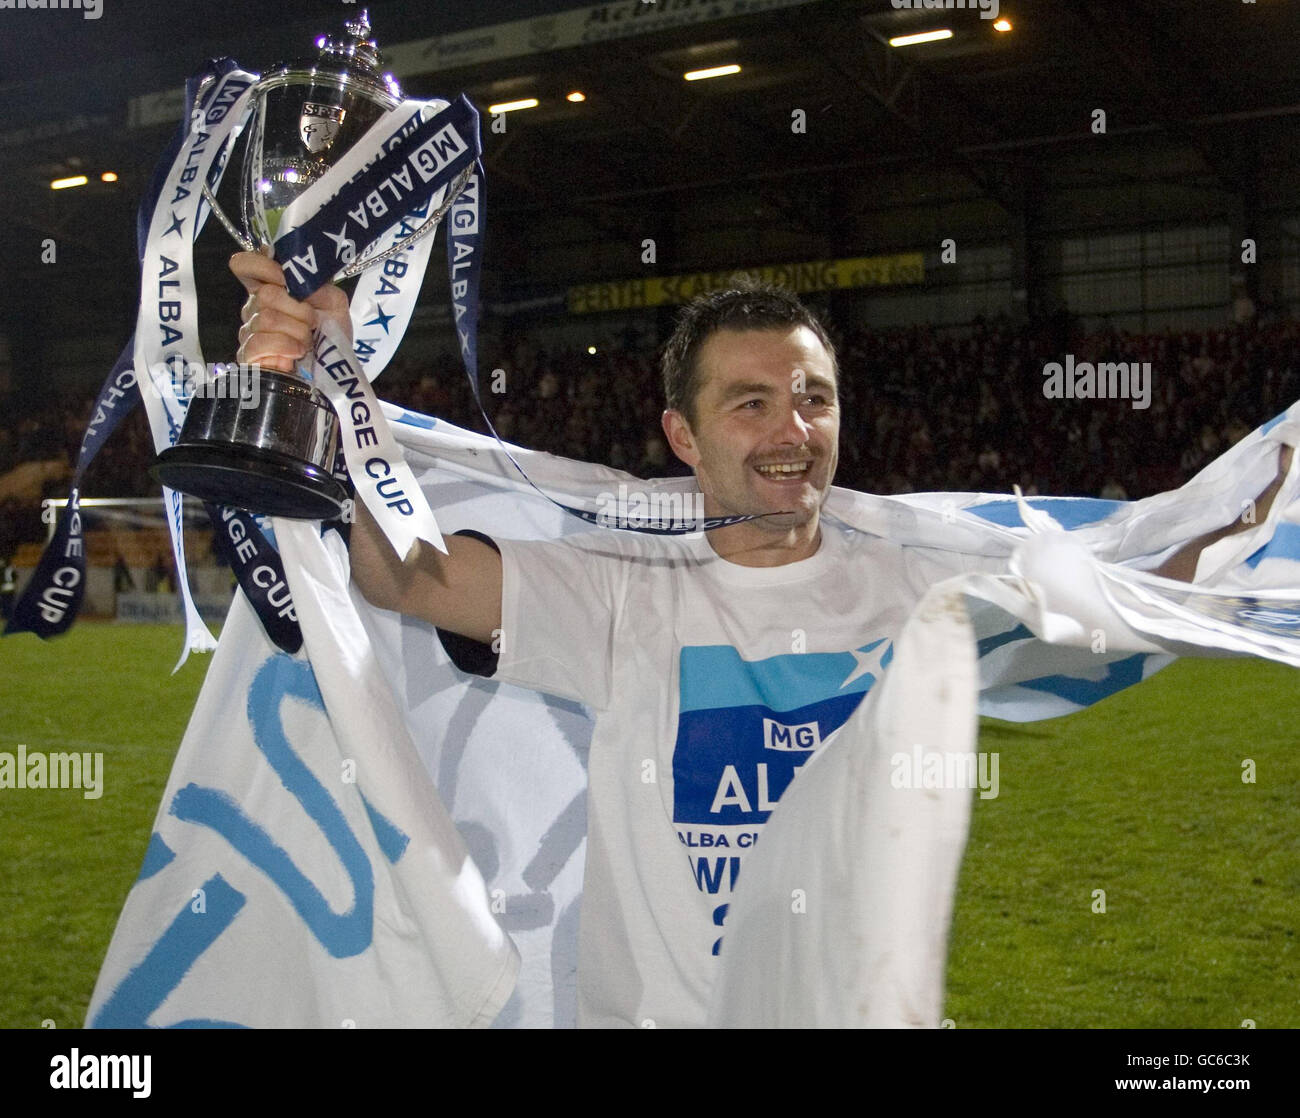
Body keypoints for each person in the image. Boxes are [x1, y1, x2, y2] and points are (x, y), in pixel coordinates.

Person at [230, 251, 1290, 1028]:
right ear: (681, 436)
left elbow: (1125, 595)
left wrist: (1256, 530)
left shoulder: (923, 579)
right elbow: (401, 572)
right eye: (750, 403)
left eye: (811, 398)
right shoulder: (619, 591)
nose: (792, 430)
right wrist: (307, 389)